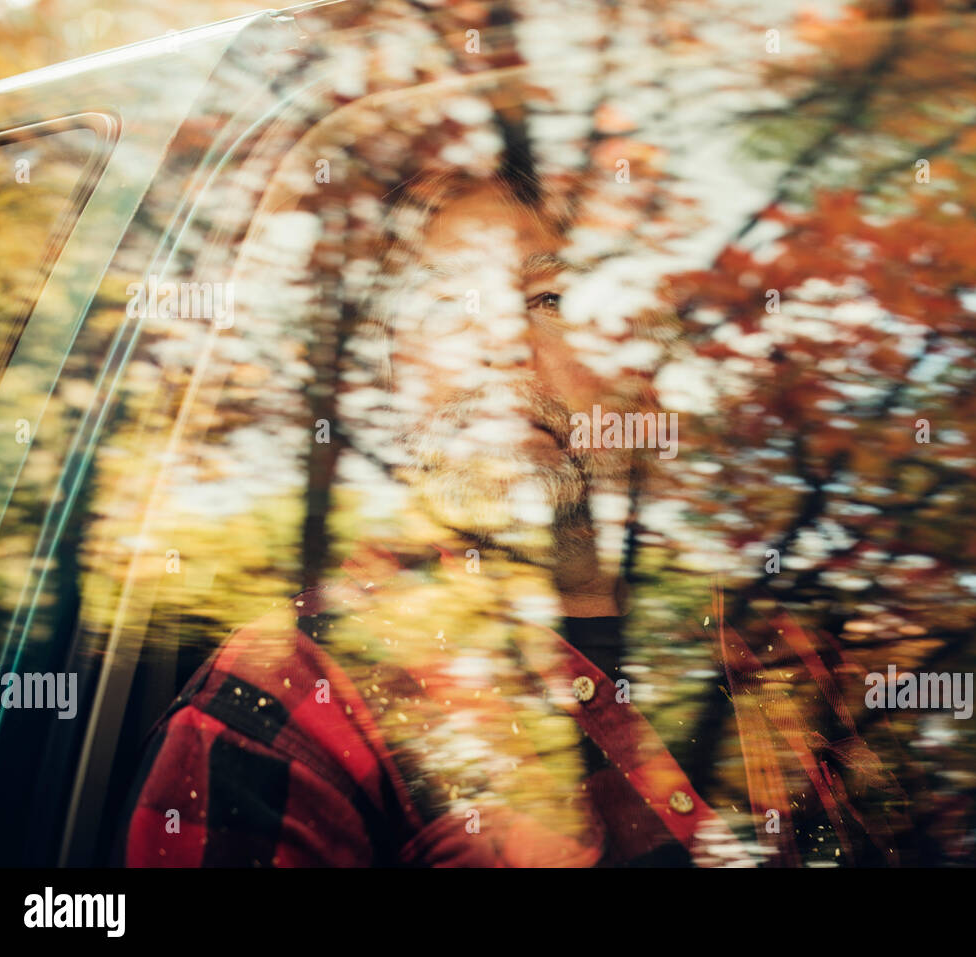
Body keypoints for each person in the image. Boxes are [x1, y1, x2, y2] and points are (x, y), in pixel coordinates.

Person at [112, 162, 914, 868]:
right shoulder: (292, 697)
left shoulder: (760, 658)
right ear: (391, 370)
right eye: (447, 304)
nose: (505, 342)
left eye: (547, 298)